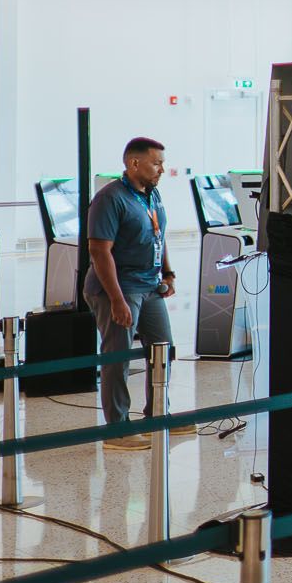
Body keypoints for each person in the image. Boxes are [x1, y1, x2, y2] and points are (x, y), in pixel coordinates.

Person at [83, 137, 186, 448]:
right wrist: (116, 299)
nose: (162, 170)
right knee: (118, 357)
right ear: (134, 164)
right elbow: (99, 251)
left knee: (163, 350)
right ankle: (117, 429)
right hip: (118, 288)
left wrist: (167, 273)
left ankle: (157, 416)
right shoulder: (110, 199)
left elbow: (159, 234)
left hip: (149, 286)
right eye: (157, 163)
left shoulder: (151, 195)